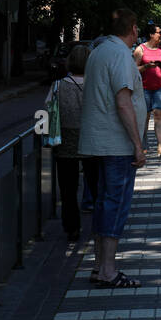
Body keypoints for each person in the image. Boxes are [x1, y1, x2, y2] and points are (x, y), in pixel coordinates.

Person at [79, 9, 147, 288]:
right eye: (137, 30)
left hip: (97, 143)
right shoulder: (120, 55)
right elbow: (123, 102)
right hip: (116, 145)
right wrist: (137, 145)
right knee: (115, 205)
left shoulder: (98, 50)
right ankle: (108, 270)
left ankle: (99, 266)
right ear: (132, 29)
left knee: (102, 204)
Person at [53, 43, 101, 241]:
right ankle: (100, 227)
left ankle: (72, 228)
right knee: (97, 186)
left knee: (68, 189)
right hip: (93, 140)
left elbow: (47, 112)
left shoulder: (58, 85)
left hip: (65, 142)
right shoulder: (97, 84)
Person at [135, 25, 161, 157]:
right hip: (143, 89)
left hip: (159, 87)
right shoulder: (140, 49)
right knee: (144, 118)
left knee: (158, 115)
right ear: (151, 34)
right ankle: (143, 146)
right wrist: (146, 66)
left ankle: (160, 146)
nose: (160, 35)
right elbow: (133, 69)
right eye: (158, 33)